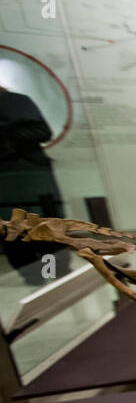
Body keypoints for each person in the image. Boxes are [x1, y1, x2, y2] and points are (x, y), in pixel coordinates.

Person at [0, 83, 66, 284]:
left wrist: (7, 138)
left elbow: (41, 131)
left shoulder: (14, 102)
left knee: (47, 238)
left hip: (30, 180)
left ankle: (54, 281)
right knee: (17, 243)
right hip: (8, 188)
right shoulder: (17, 101)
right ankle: (38, 282)